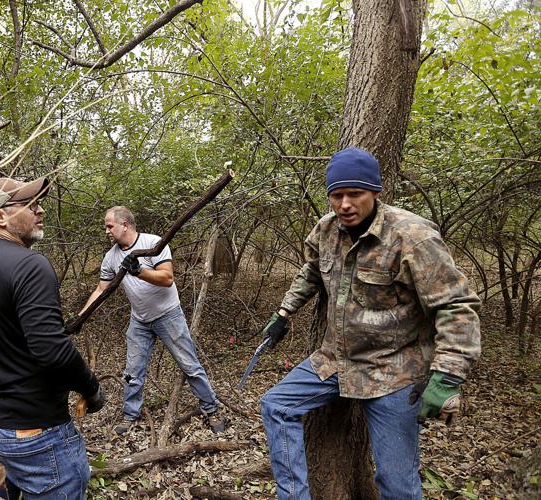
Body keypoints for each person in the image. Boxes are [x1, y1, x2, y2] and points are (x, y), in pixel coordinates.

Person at [259, 148, 481, 499]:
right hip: (336, 360)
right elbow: (313, 270)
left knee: (397, 483)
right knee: (276, 405)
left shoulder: (412, 236)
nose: (345, 204)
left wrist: (449, 375)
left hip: (393, 371)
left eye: (355, 194)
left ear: (376, 192)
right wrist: (284, 312)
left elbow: (456, 306)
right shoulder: (327, 230)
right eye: (336, 195)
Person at [0, 177, 105, 499]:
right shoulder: (30, 265)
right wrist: (91, 388)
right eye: (30, 204)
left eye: (39, 203)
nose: (40, 211)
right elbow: (51, 348)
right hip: (34, 434)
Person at [80, 206, 225, 435]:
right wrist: (82, 315)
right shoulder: (111, 257)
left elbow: (167, 278)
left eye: (109, 226)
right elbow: (101, 289)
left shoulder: (153, 243)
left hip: (169, 315)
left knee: (190, 366)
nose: (106, 231)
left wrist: (139, 271)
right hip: (140, 320)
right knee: (132, 371)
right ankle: (130, 415)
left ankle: (211, 409)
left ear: (124, 224)